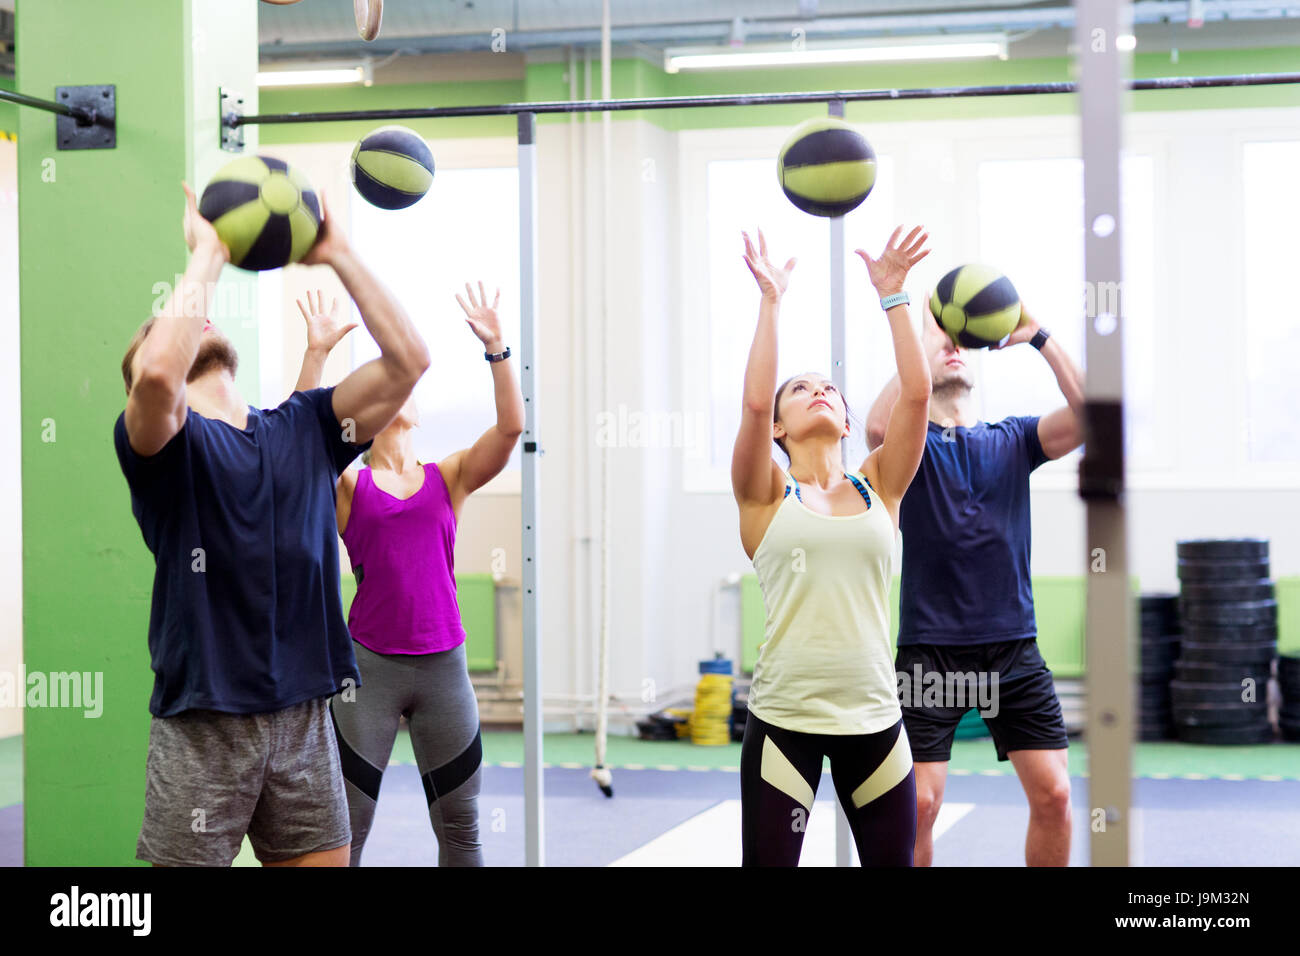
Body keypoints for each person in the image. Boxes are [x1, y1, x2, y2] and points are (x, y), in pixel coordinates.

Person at [114, 185, 430, 867]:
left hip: (307, 720)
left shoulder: (305, 428)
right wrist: (208, 254)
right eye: (166, 326)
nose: (192, 323)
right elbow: (157, 380)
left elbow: (410, 361)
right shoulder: (164, 443)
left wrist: (338, 251)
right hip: (203, 728)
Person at [294, 282, 522, 866]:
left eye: (409, 388)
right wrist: (316, 353)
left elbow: (510, 430)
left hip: (445, 668)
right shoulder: (349, 486)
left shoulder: (449, 477)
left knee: (462, 829)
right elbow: (296, 451)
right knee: (346, 831)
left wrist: (497, 348)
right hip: (367, 670)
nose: (402, 395)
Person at [732, 225, 932, 866]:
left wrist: (894, 298)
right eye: (801, 389)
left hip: (874, 719)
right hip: (784, 719)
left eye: (828, 389)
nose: (816, 391)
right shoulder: (764, 492)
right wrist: (771, 301)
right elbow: (754, 401)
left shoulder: (881, 485)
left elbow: (918, 393)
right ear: (781, 429)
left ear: (847, 421)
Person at [866, 297, 1085, 867]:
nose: (954, 349)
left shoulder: (1012, 439)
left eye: (960, 346)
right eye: (944, 347)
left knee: (1057, 795)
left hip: (1013, 650)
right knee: (917, 803)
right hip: (931, 655)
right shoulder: (910, 453)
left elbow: (1091, 418)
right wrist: (924, 342)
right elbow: (874, 427)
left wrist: (1038, 335)